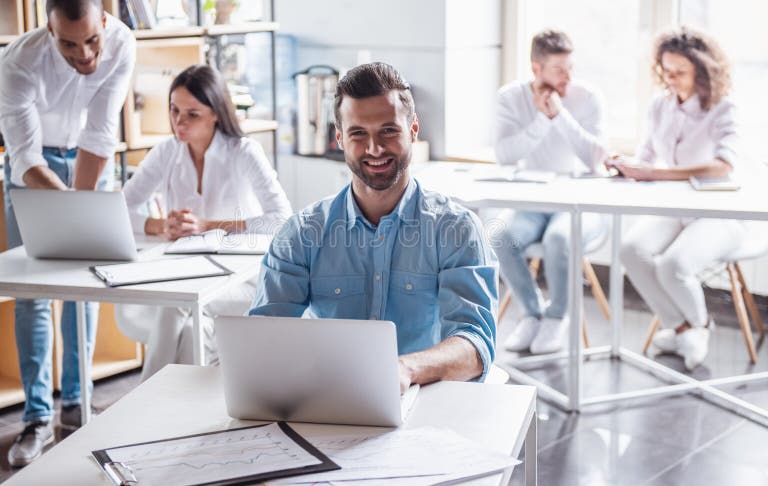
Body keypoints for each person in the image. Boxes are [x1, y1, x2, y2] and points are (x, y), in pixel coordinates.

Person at [248, 62, 499, 391]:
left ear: (412, 130)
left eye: (388, 131)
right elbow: (264, 338)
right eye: (358, 134)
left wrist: (405, 370)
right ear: (339, 138)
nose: (374, 149)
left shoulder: (457, 229)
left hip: (426, 403)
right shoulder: (301, 233)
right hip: (329, 400)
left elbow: (475, 346)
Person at [0, 0, 135, 467]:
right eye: (70, 44)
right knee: (33, 291)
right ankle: (36, 418)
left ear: (103, 23)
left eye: (92, 39)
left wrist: (82, 209)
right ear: (48, 30)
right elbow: (25, 156)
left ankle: (78, 407)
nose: (86, 53)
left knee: (85, 283)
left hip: (88, 156)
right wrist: (69, 212)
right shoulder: (18, 62)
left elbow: (100, 132)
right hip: (32, 165)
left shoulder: (122, 42)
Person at [118, 64, 292, 381]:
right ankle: (180, 414)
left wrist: (209, 225)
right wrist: (160, 226)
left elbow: (282, 221)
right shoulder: (166, 153)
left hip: (243, 278)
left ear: (215, 113)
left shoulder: (244, 152)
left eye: (192, 114)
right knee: (187, 324)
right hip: (186, 272)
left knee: (177, 308)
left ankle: (146, 403)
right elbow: (117, 210)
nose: (179, 122)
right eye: (174, 110)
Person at [612, 26, 746, 370]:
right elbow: (645, 155)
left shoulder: (723, 108)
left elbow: (723, 165)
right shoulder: (659, 106)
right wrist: (625, 165)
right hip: (674, 208)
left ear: (702, 70)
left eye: (679, 72)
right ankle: (681, 326)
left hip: (718, 212)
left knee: (674, 265)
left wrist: (655, 173)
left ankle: (700, 326)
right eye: (666, 71)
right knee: (630, 249)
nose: (670, 79)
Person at [488, 30, 608, 354]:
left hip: (582, 201)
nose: (568, 77)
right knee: (496, 233)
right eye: (559, 70)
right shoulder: (510, 97)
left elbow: (596, 158)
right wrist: (541, 119)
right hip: (531, 200)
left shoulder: (588, 97)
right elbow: (504, 155)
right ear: (536, 69)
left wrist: (560, 115)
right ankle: (531, 312)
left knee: (559, 239)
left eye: (570, 67)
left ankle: (557, 317)